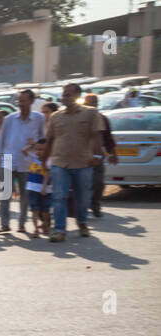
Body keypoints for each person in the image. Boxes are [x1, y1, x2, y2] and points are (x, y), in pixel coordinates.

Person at [41, 82, 102, 242]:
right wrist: (44, 160)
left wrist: (97, 156)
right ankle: (60, 230)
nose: (64, 98)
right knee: (59, 196)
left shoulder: (90, 113)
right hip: (60, 163)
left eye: (68, 94)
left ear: (77, 96)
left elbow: (96, 136)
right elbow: (49, 140)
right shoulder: (56, 117)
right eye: (63, 94)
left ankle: (82, 222)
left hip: (83, 163)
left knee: (82, 197)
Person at [0, 89, 44, 234]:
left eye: (24, 100)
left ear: (32, 102)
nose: (20, 104)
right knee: (4, 195)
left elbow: (44, 139)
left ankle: (21, 224)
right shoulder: (9, 119)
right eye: (19, 101)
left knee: (25, 197)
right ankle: (4, 224)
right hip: (8, 160)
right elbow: (1, 140)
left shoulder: (39, 118)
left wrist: (36, 143)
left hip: (27, 162)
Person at [82, 92, 117, 218]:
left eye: (95, 103)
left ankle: (95, 205)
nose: (93, 106)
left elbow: (108, 139)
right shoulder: (79, 119)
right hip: (81, 156)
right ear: (84, 104)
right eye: (90, 103)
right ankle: (82, 207)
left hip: (97, 156)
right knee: (82, 183)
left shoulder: (102, 119)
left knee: (98, 182)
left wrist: (113, 153)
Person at [25, 141, 51, 238]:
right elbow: (23, 150)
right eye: (38, 149)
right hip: (32, 188)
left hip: (45, 189)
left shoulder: (48, 161)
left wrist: (44, 187)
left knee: (45, 210)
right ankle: (35, 228)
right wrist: (31, 145)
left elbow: (47, 175)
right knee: (34, 210)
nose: (39, 152)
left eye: (42, 150)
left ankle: (45, 224)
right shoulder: (33, 158)